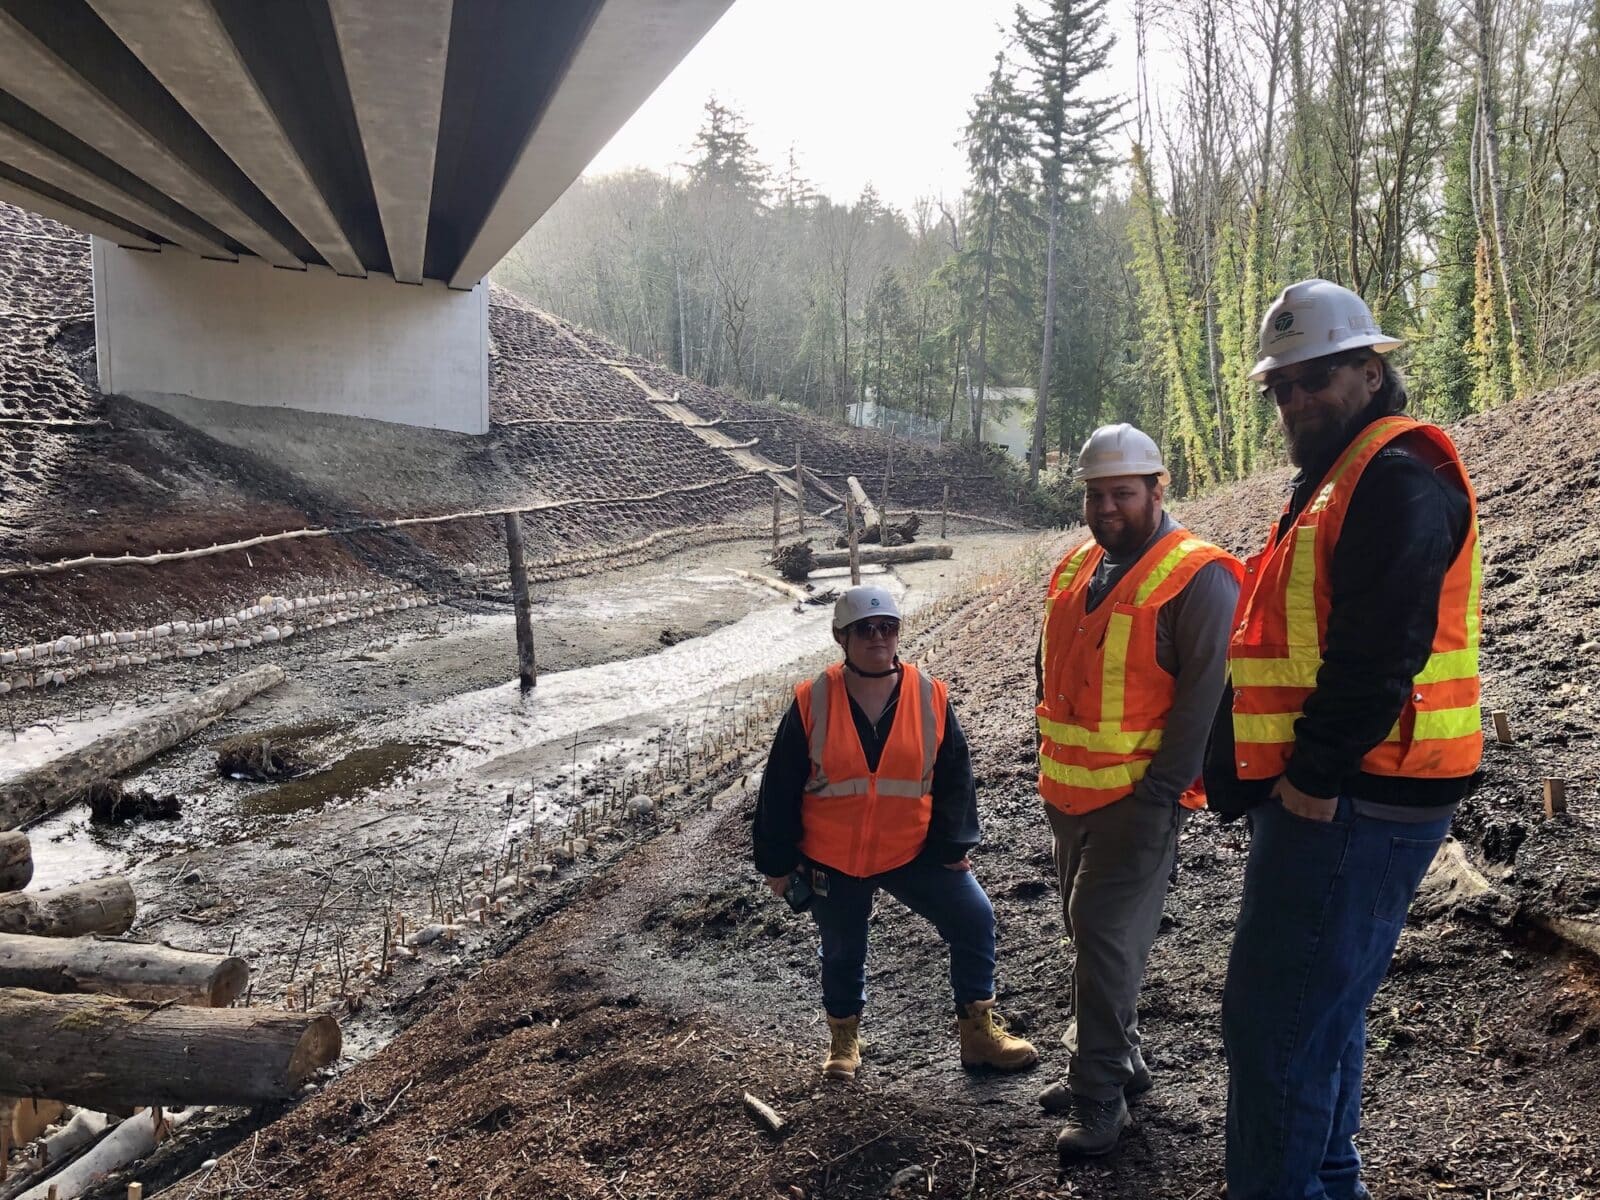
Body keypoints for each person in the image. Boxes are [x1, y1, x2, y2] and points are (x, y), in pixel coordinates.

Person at [1206, 279, 1481, 1199]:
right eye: (1281, 387)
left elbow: (1382, 645)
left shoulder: (1393, 475)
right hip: (1350, 787)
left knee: (1272, 1022)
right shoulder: (1338, 476)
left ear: (1371, 370)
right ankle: (1328, 1178)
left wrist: (1312, 779)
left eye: (1315, 379)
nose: (1294, 401)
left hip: (1357, 792)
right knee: (1321, 1013)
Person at [1034, 423, 1242, 1156]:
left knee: (1101, 935)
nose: (1106, 508)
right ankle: (1119, 1060)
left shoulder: (1200, 575)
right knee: (1091, 939)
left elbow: (1204, 698)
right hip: (1068, 796)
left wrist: (1161, 792)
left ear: (1158, 489)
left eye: (1122, 493)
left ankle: (1098, 1102)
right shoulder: (1075, 567)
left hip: (1137, 801)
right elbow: (1052, 672)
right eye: (1095, 495)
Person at [752, 584, 1038, 1081]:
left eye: (887, 627)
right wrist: (778, 864)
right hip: (834, 856)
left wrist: (953, 846)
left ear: (898, 632)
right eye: (865, 629)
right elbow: (779, 786)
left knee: (973, 917)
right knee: (843, 947)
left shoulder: (929, 695)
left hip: (913, 849)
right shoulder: (812, 700)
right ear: (842, 637)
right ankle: (843, 1040)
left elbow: (954, 775)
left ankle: (979, 1034)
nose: (877, 637)